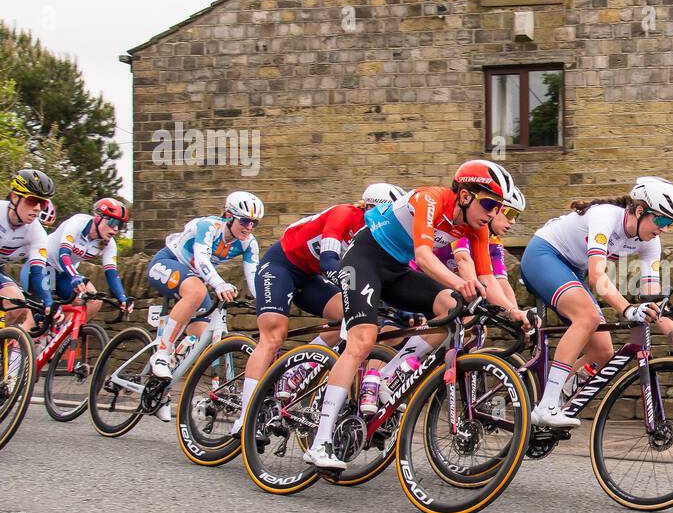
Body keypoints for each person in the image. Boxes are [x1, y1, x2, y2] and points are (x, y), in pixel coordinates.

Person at [303, 160, 530, 470]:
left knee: (454, 311)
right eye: (489, 204)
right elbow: (424, 257)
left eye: (498, 207)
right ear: (464, 196)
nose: (493, 213)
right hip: (363, 260)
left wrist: (514, 312)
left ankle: (388, 378)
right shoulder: (430, 199)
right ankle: (320, 443)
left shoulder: (475, 228)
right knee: (362, 341)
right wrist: (462, 284)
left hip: (396, 271)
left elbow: (488, 281)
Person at [520, 177, 673, 429]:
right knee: (588, 318)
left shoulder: (651, 242)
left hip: (571, 268)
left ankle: (551, 403)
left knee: (603, 352)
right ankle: (546, 407)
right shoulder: (605, 216)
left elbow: (653, 298)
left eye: (670, 223)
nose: (665, 228)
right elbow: (597, 276)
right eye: (661, 220)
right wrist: (628, 309)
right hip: (544, 255)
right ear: (640, 211)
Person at [229, 182, 406, 434]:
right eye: (387, 215)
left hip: (310, 278)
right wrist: (353, 286)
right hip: (282, 266)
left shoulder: (376, 236)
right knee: (273, 336)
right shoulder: (344, 214)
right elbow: (328, 262)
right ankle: (245, 418)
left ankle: (300, 368)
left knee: (349, 316)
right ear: (370, 209)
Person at [146, 191, 262, 386]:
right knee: (197, 291)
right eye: (244, 221)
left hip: (194, 277)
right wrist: (219, 283)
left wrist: (265, 302)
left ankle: (161, 387)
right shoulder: (208, 226)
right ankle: (162, 354)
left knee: (201, 335)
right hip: (168, 262)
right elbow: (201, 259)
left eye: (254, 223)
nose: (249, 227)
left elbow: (253, 276)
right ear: (229, 216)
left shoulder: (249, 243)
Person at [43, 196, 134, 325]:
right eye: (113, 223)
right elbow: (63, 255)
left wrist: (122, 297)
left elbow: (111, 273)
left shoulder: (109, 243)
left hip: (64, 273)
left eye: (120, 224)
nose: (116, 229)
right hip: (44, 266)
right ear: (98, 218)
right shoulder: (77, 223)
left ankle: (64, 338)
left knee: (95, 300)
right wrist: (74, 275)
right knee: (44, 310)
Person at [0, 169, 56, 334]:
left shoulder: (37, 232)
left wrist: (48, 302)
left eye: (43, 203)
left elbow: (38, 273)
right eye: (32, 201)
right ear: (15, 197)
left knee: (17, 303)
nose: (38, 208)